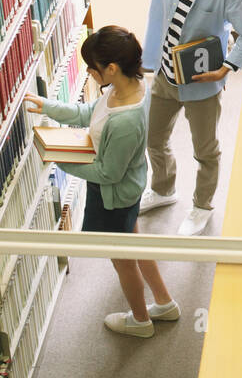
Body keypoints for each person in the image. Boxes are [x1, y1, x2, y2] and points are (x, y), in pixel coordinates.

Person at [47, 0, 242, 237]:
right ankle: (164, 189)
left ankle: (202, 206)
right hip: (163, 77)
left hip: (202, 85)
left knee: (206, 152)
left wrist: (226, 68)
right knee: (154, 139)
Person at [24, 26, 178, 340]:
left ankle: (140, 321)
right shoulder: (126, 86)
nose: (88, 73)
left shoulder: (126, 121)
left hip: (115, 197)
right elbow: (88, 113)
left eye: (92, 67)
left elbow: (109, 174)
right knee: (136, 242)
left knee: (123, 262)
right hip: (127, 189)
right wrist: (47, 106)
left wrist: (60, 159)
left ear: (111, 68)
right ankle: (165, 303)